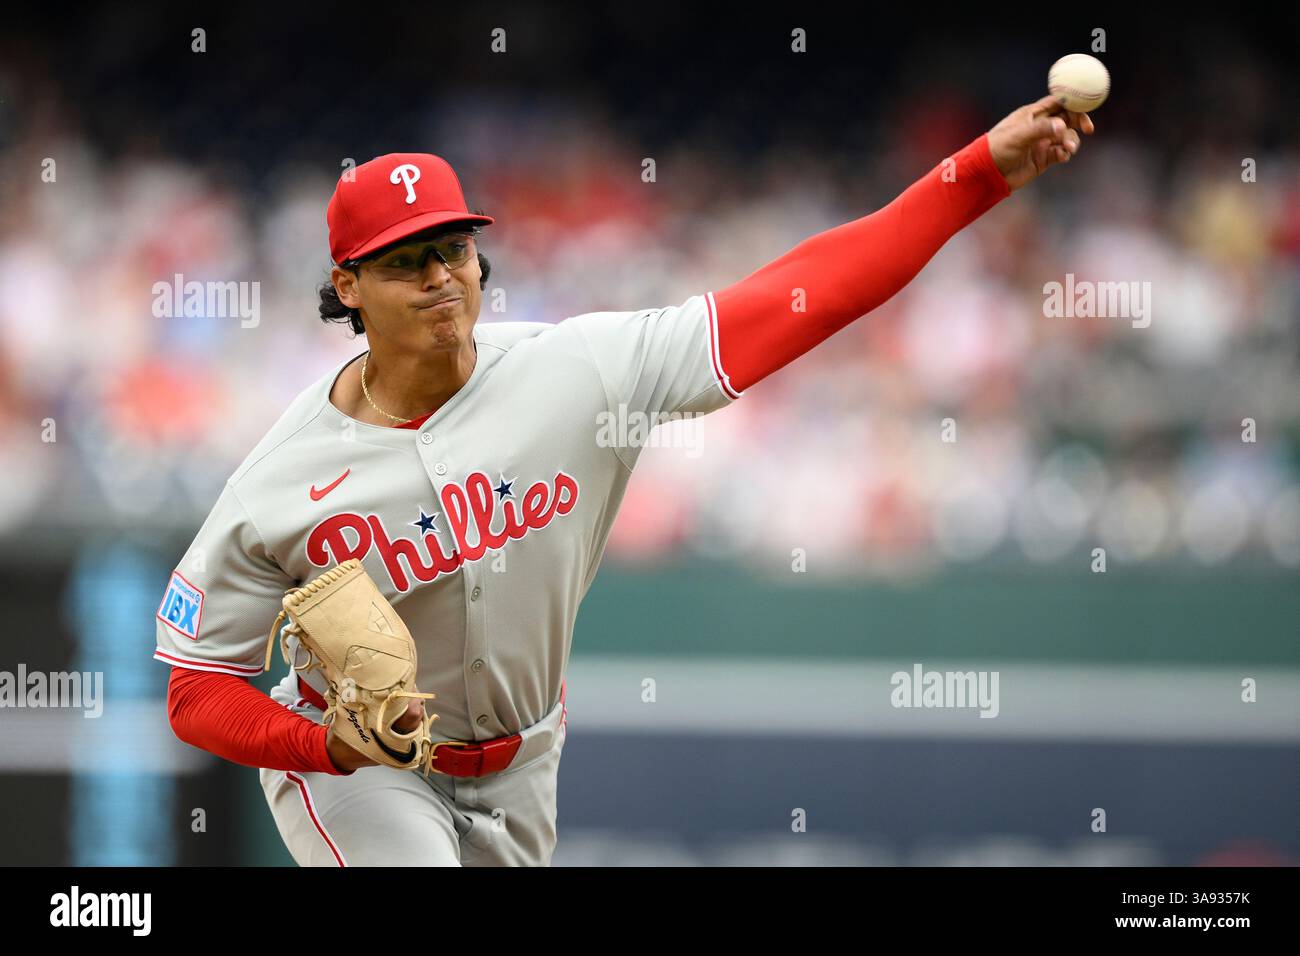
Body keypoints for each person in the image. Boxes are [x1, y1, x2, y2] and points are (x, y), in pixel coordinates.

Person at [157, 97, 1093, 866]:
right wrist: (322, 745)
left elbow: (801, 295)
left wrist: (975, 173)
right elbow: (196, 689)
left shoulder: (580, 372)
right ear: (348, 285)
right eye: (406, 262)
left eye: (453, 249)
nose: (441, 277)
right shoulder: (280, 479)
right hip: (363, 772)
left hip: (523, 758)